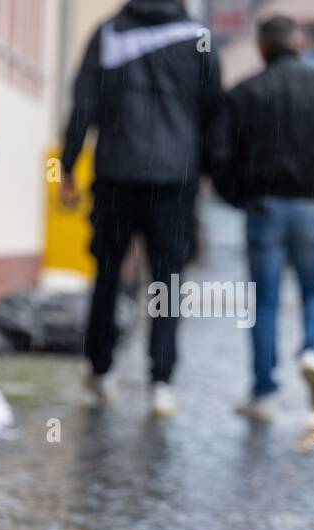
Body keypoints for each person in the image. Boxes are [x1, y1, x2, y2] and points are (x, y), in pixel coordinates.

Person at [61, 0, 222, 417]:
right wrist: (207, 169)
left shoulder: (110, 32)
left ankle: (100, 371)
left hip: (117, 172)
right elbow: (214, 112)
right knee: (168, 280)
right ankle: (161, 382)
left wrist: (68, 165)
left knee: (108, 273)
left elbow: (83, 103)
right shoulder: (198, 38)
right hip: (175, 179)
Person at [209, 15, 314, 423]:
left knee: (265, 302)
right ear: (297, 43)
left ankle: (264, 393)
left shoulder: (246, 92)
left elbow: (218, 153)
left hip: (264, 206)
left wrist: (239, 196)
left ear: (261, 47)